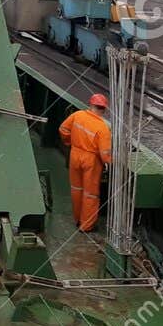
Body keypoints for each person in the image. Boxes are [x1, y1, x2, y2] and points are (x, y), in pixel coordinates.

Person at [59, 94, 113, 233]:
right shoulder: (103, 128)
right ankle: (86, 226)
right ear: (104, 109)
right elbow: (105, 155)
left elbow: (63, 129)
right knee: (90, 194)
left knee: (77, 189)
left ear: (90, 105)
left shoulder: (77, 115)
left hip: (75, 155)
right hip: (91, 160)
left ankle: (77, 219)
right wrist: (113, 163)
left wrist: (68, 142)